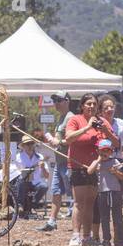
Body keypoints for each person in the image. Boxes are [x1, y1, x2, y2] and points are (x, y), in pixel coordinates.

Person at [63, 93, 115, 246]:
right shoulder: (75, 120)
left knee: (90, 203)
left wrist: (105, 130)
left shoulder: (102, 121)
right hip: (78, 166)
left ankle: (87, 236)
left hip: (95, 167)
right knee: (79, 202)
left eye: (94, 104)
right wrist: (87, 127)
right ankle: (75, 235)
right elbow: (68, 138)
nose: (91, 106)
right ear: (82, 106)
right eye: (88, 104)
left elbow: (112, 141)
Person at [39, 92, 73, 234]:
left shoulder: (70, 118)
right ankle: (52, 221)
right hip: (59, 162)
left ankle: (80, 223)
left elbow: (71, 139)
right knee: (56, 192)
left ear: (67, 101)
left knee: (74, 194)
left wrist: (57, 142)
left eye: (59, 100)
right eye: (54, 100)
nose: (56, 103)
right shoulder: (61, 118)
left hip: (68, 162)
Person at [87, 138, 123, 246]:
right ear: (98, 151)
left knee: (117, 216)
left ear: (111, 152)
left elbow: (122, 177)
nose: (105, 153)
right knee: (104, 218)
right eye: (102, 151)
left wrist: (115, 172)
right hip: (102, 193)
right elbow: (89, 171)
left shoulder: (115, 162)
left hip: (115, 192)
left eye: (107, 151)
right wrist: (98, 160)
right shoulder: (97, 163)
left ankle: (120, 239)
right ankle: (106, 239)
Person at [12, 136, 49, 218]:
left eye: (31, 143)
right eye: (27, 144)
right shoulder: (18, 157)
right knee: (21, 182)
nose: (29, 146)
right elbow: (15, 173)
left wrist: (42, 168)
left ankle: (31, 206)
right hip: (23, 182)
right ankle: (20, 206)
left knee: (44, 186)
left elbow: (47, 175)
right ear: (23, 146)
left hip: (36, 182)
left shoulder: (40, 157)